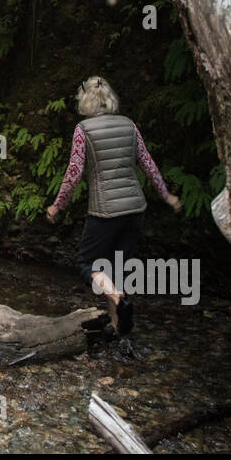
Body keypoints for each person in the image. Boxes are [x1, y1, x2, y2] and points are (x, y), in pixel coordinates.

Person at [45, 76, 181, 336]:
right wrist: (167, 196)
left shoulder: (83, 130)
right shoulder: (128, 125)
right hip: (135, 210)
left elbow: (73, 174)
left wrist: (57, 206)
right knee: (117, 268)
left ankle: (118, 300)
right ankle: (118, 327)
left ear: (84, 101)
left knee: (88, 264)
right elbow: (148, 165)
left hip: (105, 211)